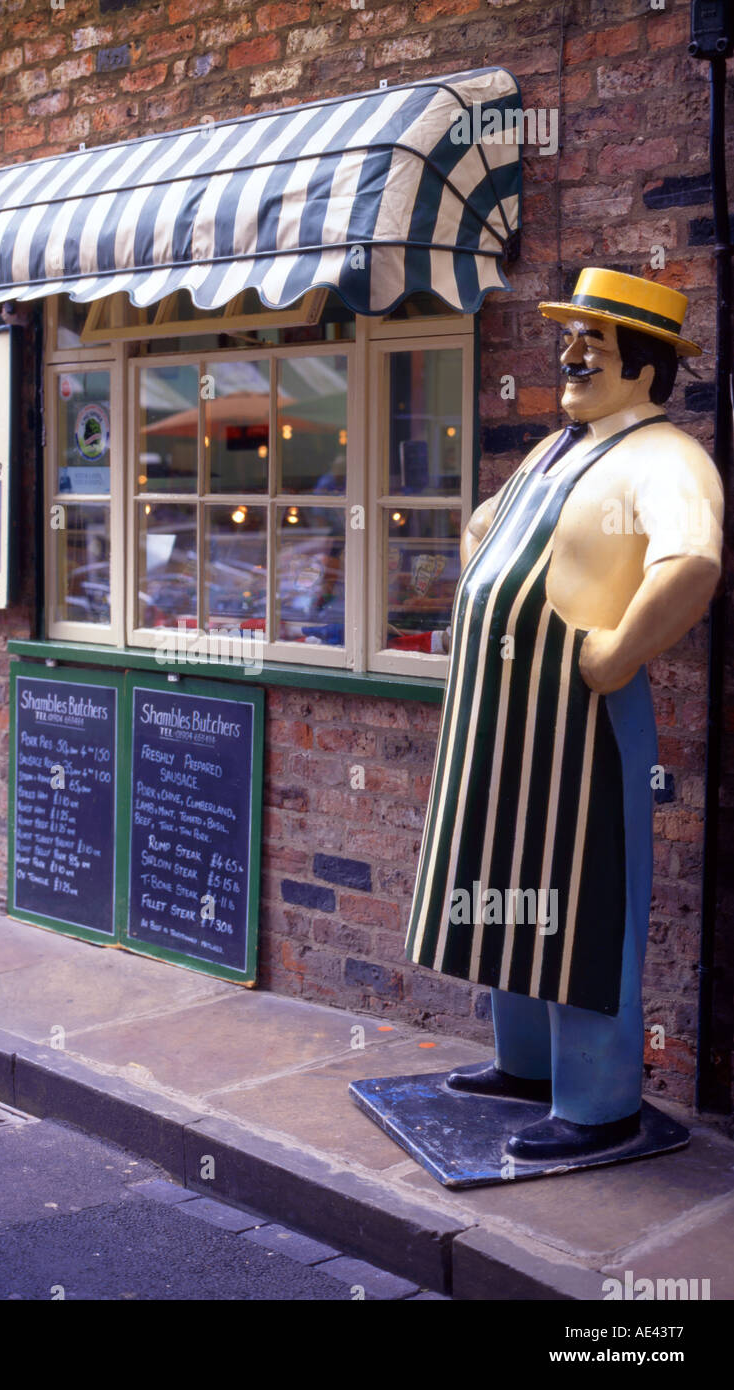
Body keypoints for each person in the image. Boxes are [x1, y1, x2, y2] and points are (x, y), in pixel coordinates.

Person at [404, 268, 724, 1161]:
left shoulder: (666, 458)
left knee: (583, 903)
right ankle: (528, 1067)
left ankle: (598, 1106)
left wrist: (612, 652)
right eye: (569, 336)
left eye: (596, 341)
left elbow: (691, 563)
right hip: (502, 718)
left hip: (582, 722)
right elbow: (481, 528)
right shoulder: (557, 448)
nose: (571, 353)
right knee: (506, 886)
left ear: (648, 365)